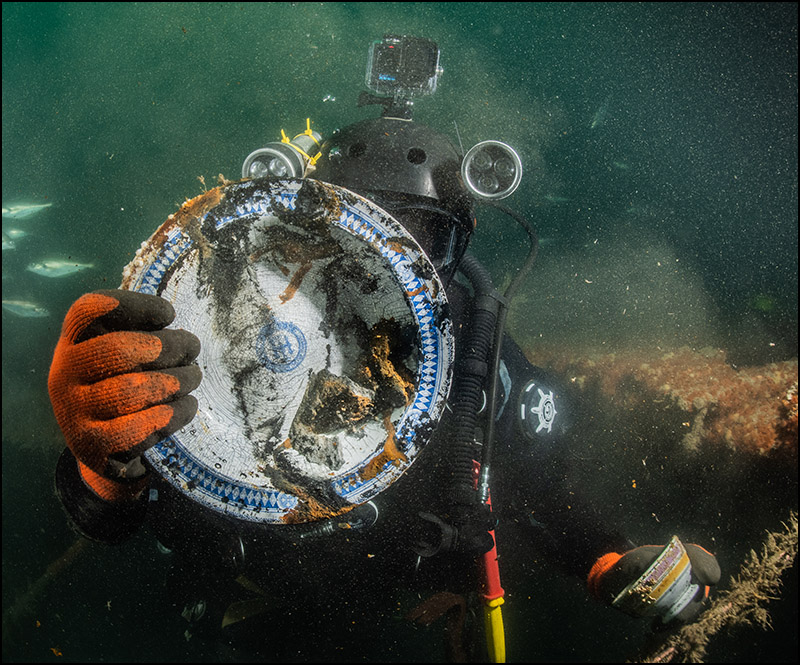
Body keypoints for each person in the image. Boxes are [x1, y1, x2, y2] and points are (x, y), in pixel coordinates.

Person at [47, 35, 719, 660]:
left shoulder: (481, 362)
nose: (386, 274)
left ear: (456, 249)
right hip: (241, 607)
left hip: (385, 620)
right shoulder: (234, 319)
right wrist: (102, 453)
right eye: (360, 234)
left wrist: (616, 563)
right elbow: (122, 516)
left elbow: (547, 497)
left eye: (420, 240)